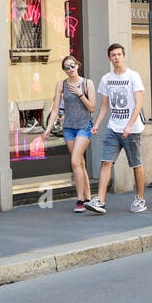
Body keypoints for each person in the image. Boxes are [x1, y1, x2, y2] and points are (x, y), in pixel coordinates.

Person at [86, 43, 147, 214]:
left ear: (124, 56)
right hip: (113, 127)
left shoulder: (133, 76)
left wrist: (129, 125)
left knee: (136, 164)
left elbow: (139, 104)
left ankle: (140, 199)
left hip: (132, 129)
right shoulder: (106, 79)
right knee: (106, 162)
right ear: (109, 58)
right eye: (113, 55)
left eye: (119, 54)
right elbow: (104, 106)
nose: (116, 57)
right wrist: (97, 125)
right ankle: (100, 201)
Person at [42, 54, 96, 212]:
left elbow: (92, 107)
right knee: (80, 163)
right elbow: (56, 109)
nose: (70, 69)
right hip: (69, 128)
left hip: (84, 126)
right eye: (67, 67)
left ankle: (80, 200)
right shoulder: (61, 85)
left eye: (73, 65)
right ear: (64, 70)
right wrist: (47, 129)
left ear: (78, 65)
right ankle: (88, 197)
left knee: (74, 162)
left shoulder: (87, 83)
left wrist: (80, 94)